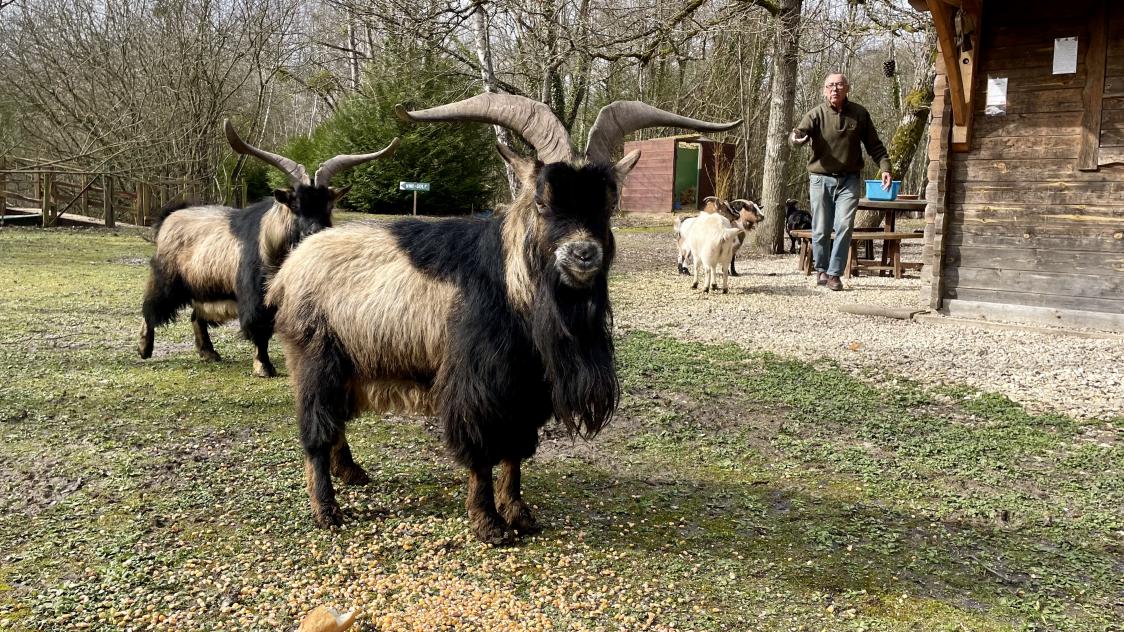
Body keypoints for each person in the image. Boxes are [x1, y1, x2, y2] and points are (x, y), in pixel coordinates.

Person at [790, 73, 892, 291]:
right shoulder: (816, 114)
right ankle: (821, 270)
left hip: (849, 180)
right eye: (830, 86)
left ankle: (835, 274)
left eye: (838, 85)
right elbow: (799, 134)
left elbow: (875, 145)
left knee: (844, 225)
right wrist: (796, 139)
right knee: (821, 228)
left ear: (847, 88)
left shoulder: (859, 114)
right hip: (820, 179)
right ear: (824, 90)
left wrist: (885, 168)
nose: (834, 89)